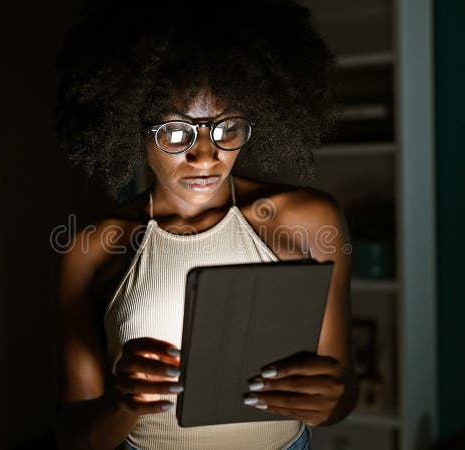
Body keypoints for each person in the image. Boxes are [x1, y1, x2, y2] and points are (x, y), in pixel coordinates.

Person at [53, 1, 356, 449]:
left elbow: (341, 388)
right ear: (132, 124)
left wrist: (333, 400)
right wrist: (124, 403)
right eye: (176, 132)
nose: (206, 155)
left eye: (226, 128)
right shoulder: (94, 248)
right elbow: (76, 440)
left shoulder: (310, 222)